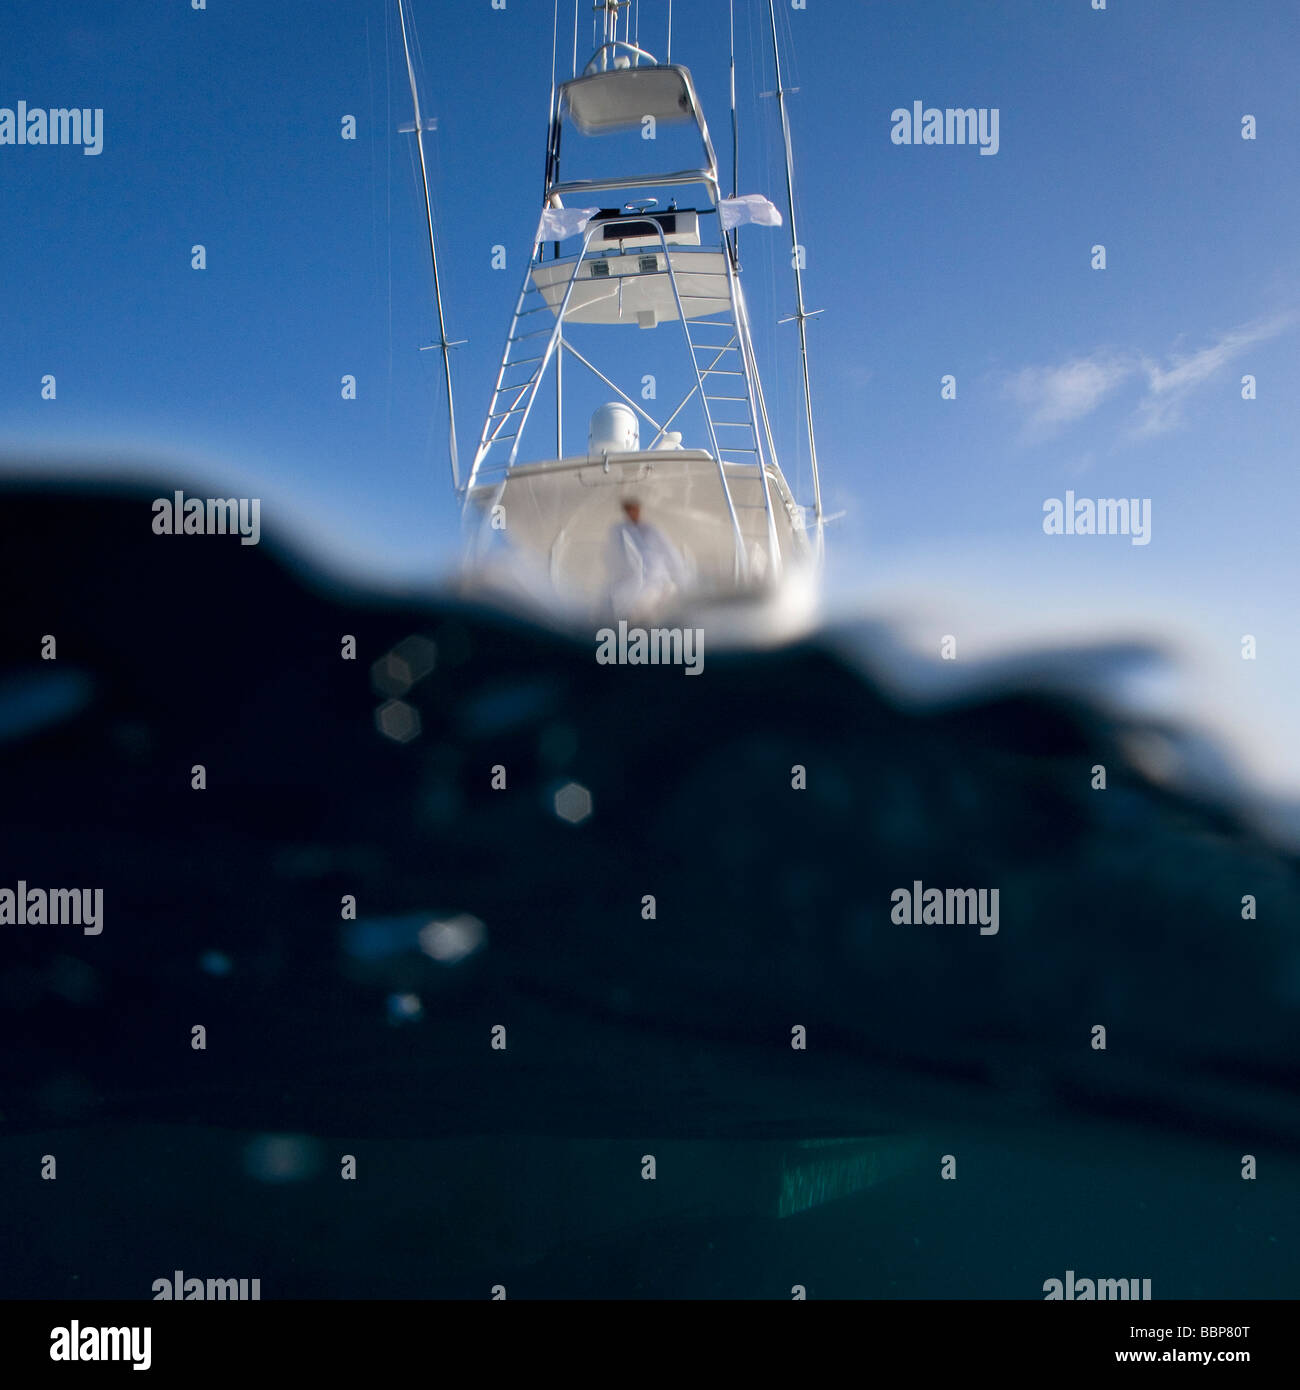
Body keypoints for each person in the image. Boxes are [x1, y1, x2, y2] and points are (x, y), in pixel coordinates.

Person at [606, 498, 687, 615]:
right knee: (628, 603)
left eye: (633, 509)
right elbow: (614, 553)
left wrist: (678, 569)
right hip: (631, 574)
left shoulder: (651, 529)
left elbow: (668, 549)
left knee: (651, 601)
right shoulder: (619, 530)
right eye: (628, 510)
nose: (631, 513)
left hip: (654, 574)